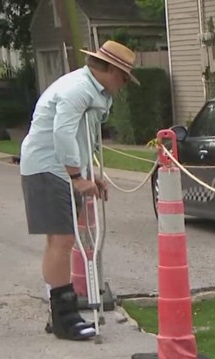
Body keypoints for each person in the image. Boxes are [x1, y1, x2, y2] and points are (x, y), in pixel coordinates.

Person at [20, 40, 138, 341]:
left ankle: (59, 314)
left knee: (58, 241)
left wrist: (88, 174)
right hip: (50, 168)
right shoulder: (78, 90)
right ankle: (65, 317)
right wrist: (76, 176)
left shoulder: (92, 91)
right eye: (123, 76)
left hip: (56, 168)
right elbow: (62, 132)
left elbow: (83, 137)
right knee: (62, 240)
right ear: (110, 70)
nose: (124, 83)